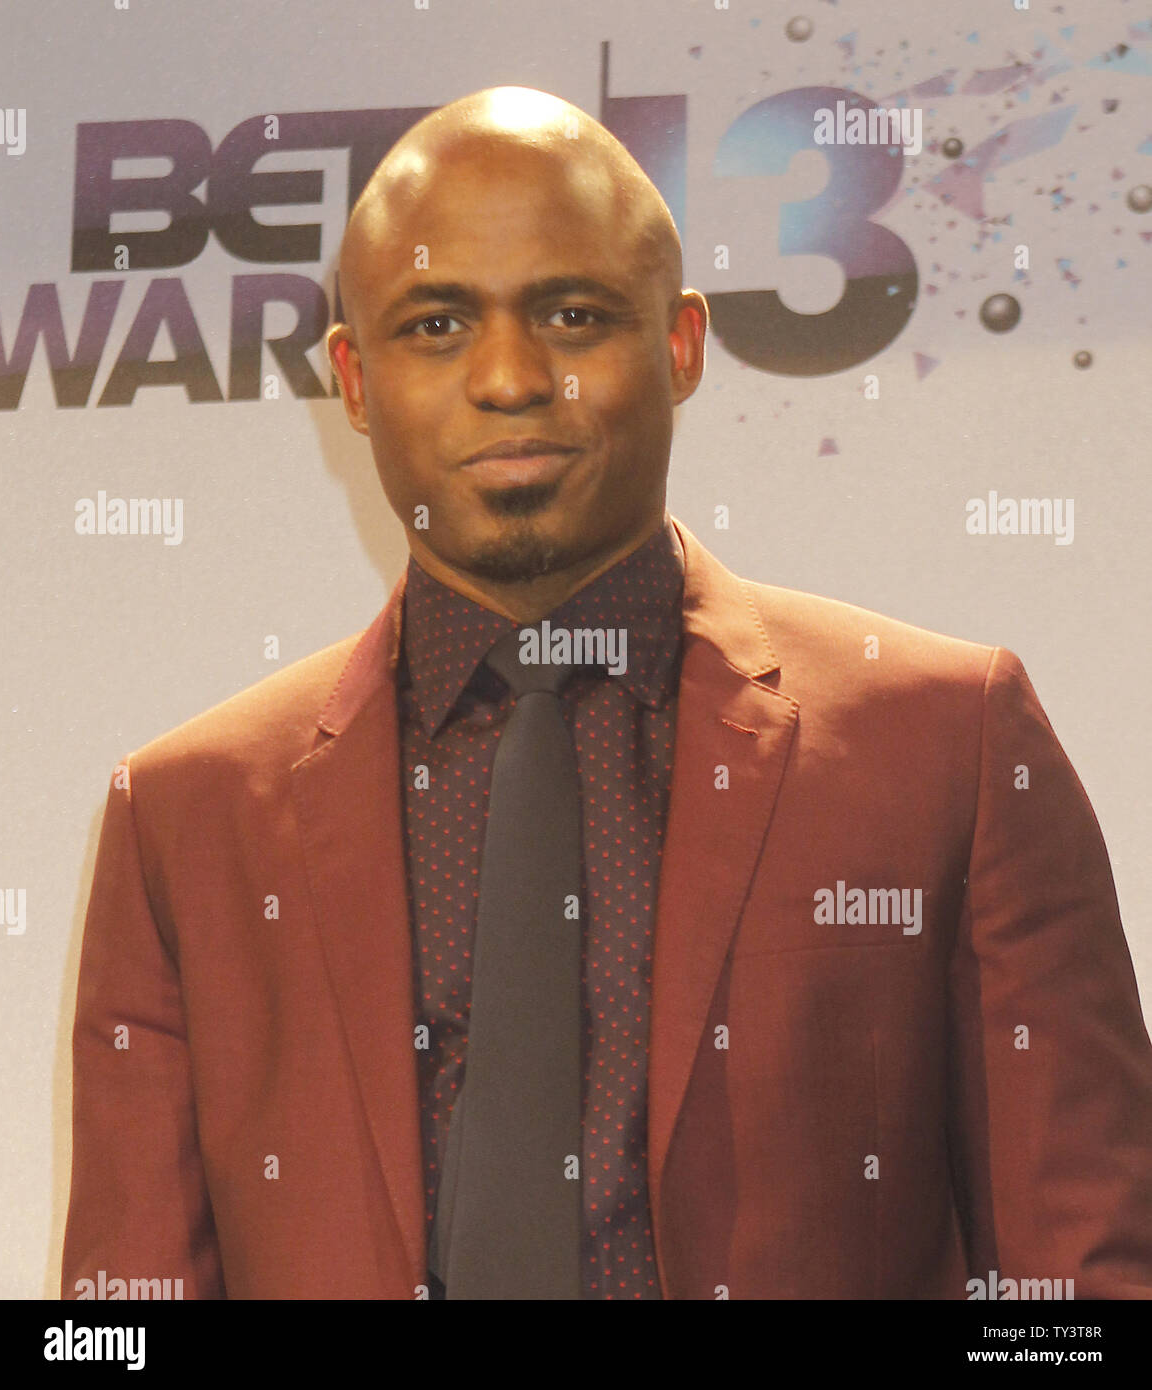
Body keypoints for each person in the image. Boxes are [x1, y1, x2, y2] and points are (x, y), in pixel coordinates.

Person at [62, 86, 1152, 1300]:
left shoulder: (948, 741)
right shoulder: (186, 816)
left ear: (679, 346)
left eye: (572, 316)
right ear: (353, 380)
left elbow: (1082, 1286)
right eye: (435, 325)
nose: (512, 378)